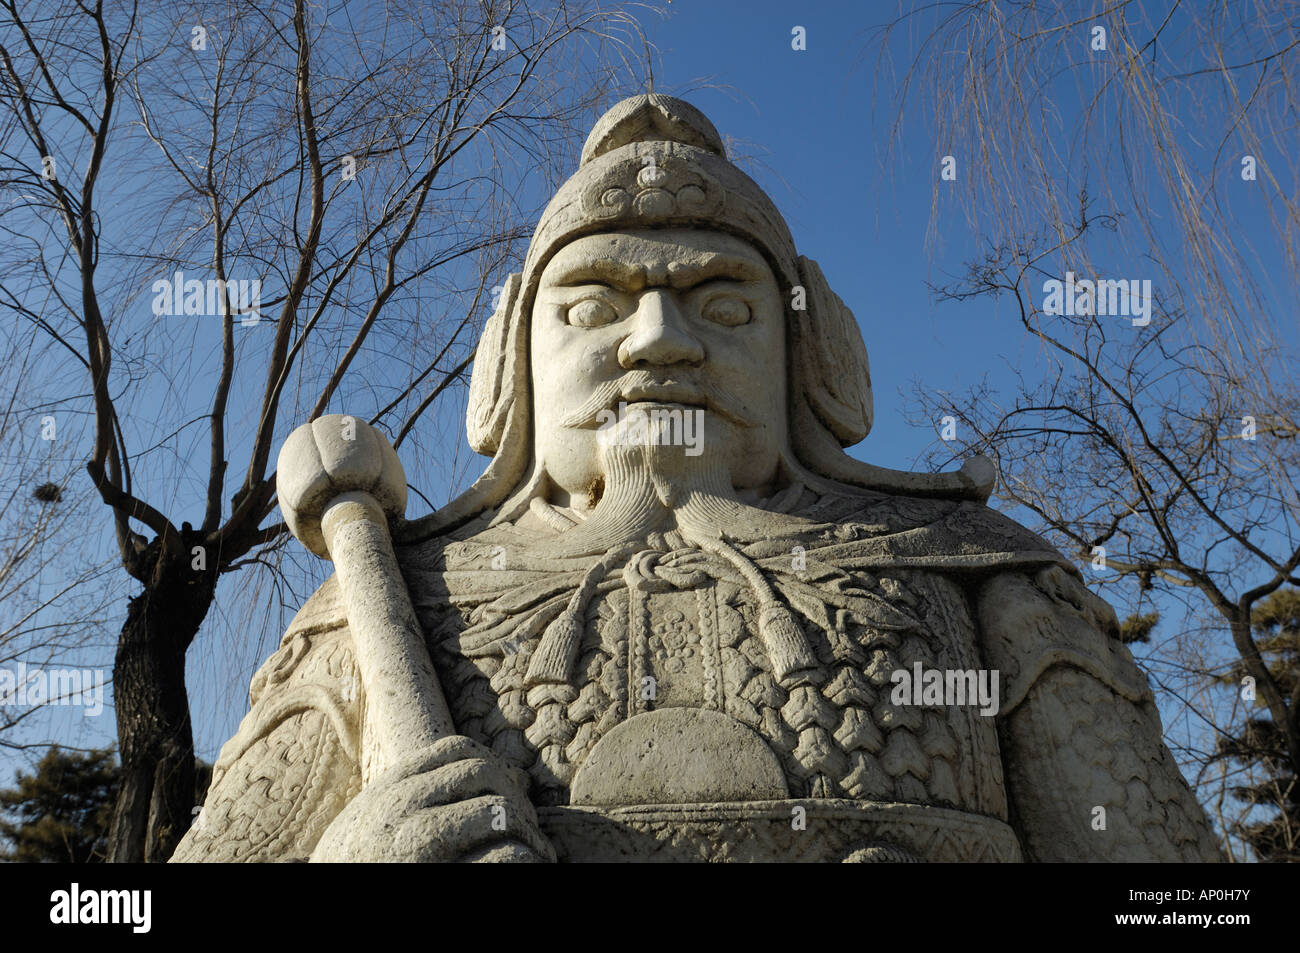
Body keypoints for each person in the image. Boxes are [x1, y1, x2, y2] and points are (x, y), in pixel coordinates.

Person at [172, 95, 1222, 863]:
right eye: (593, 304)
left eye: (723, 306)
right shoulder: (383, 610)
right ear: (512, 365)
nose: (657, 342)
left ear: (806, 356)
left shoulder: (976, 579)